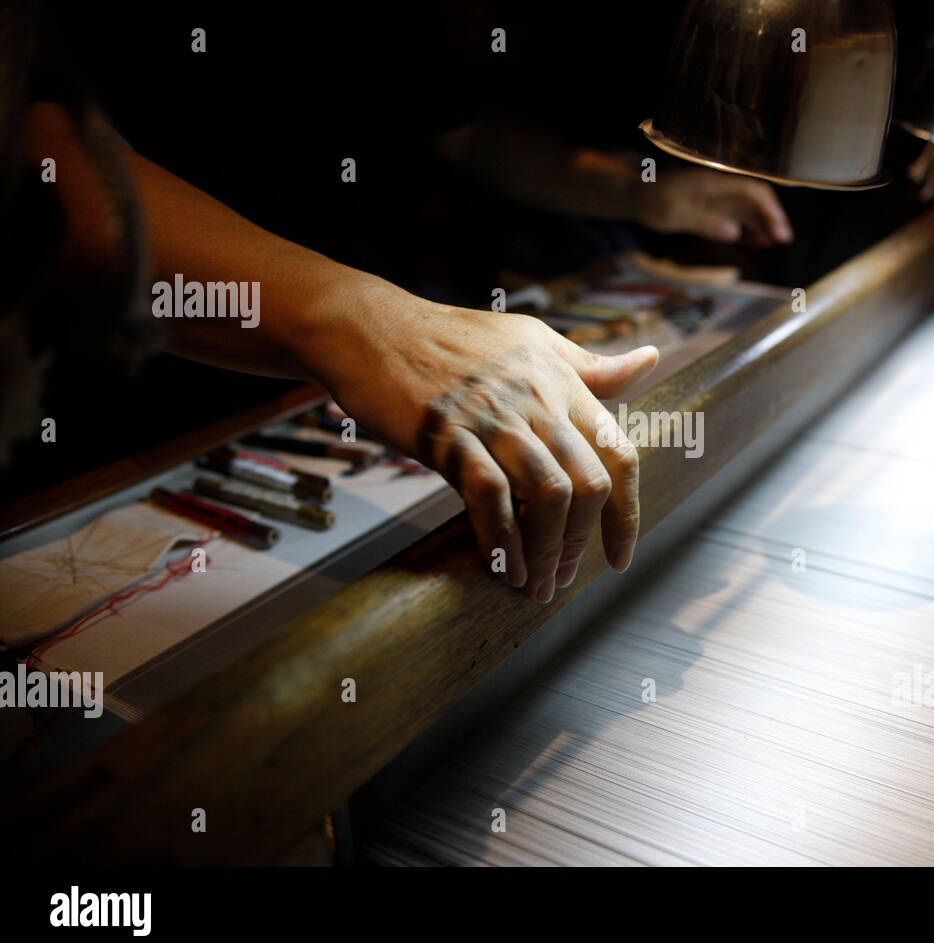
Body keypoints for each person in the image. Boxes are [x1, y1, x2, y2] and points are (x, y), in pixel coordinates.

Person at [1, 2, 792, 605]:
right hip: (126, 405)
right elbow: (37, 163)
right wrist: (366, 327)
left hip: (341, 390)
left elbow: (464, 130)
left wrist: (640, 194)